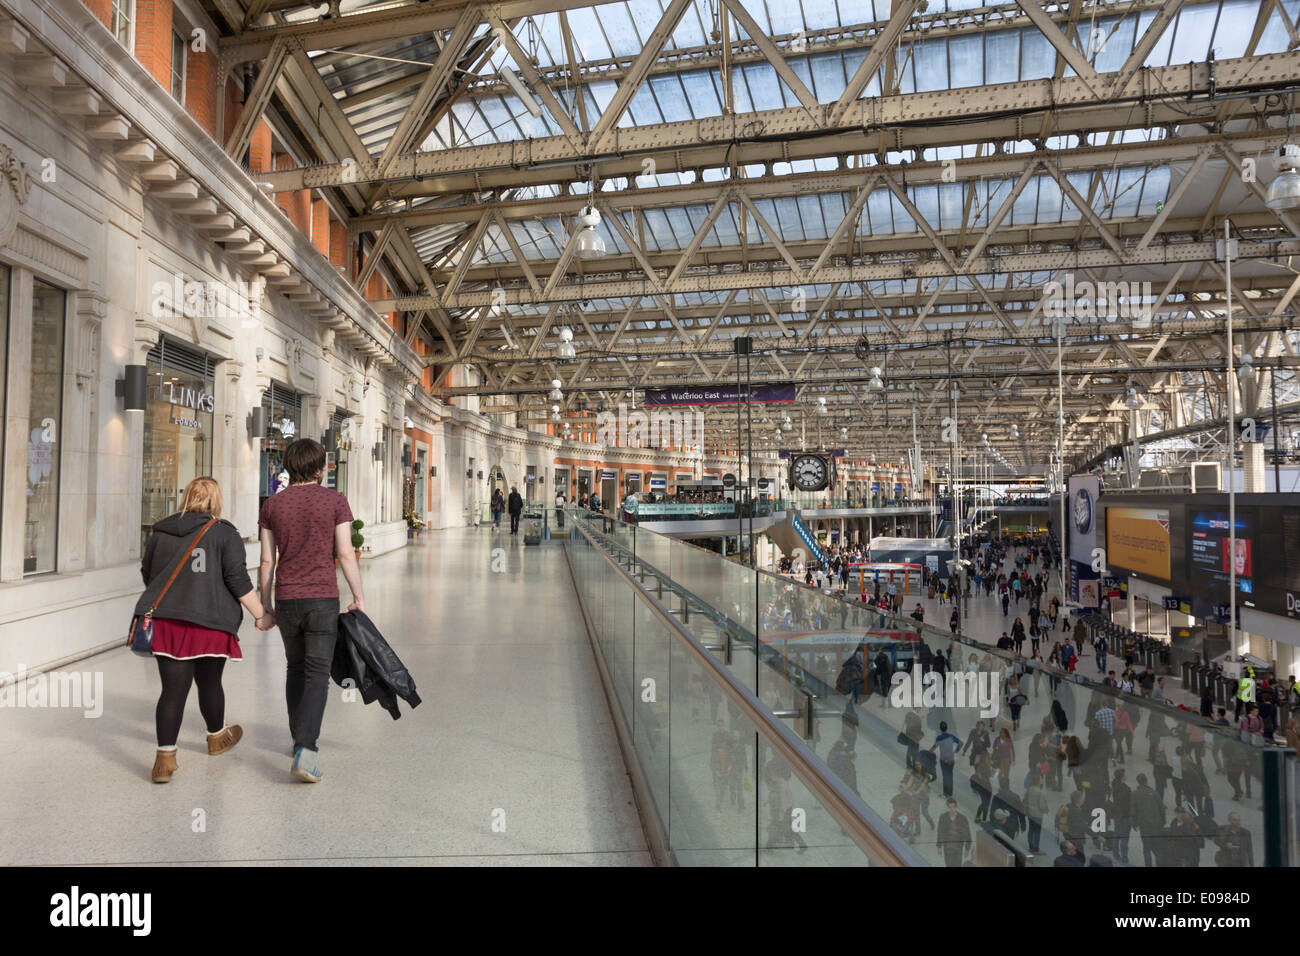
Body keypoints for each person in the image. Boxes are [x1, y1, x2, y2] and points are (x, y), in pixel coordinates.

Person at [138, 477, 273, 784]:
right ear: (216, 501)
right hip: (210, 624)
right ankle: (216, 737)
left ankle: (164, 760)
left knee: (172, 692)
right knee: (210, 682)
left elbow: (149, 575)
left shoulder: (159, 531)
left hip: (168, 623)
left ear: (185, 497)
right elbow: (237, 580)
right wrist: (261, 614)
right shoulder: (223, 532)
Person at [259, 438, 365, 784]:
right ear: (321, 468)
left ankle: (298, 740)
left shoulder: (273, 505)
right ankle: (306, 748)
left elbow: (265, 560)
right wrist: (358, 595)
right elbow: (346, 554)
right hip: (322, 598)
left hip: (288, 599)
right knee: (317, 673)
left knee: (295, 667)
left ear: (289, 467)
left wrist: (265, 605)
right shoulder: (335, 501)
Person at [1131, 772, 1166, 866]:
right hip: (1157, 825)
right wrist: (1163, 821)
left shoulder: (1134, 794)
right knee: (1158, 848)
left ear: (1138, 782)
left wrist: (1134, 824)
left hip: (1144, 826)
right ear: (1146, 780)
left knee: (1146, 849)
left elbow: (1133, 811)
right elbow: (1161, 809)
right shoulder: (1154, 793)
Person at [930, 721, 962, 798]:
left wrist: (929, 752)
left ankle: (945, 794)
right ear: (947, 728)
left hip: (943, 760)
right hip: (951, 760)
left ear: (940, 729)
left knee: (945, 776)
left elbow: (934, 747)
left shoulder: (939, 738)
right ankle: (950, 794)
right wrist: (956, 751)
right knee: (950, 776)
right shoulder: (951, 736)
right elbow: (961, 743)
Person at [937, 798, 972, 867]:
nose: (952, 809)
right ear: (947, 807)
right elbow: (940, 832)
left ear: (956, 807)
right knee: (948, 864)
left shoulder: (963, 818)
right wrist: (939, 847)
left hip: (958, 848)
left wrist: (967, 849)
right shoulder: (943, 817)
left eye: (953, 807)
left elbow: (968, 834)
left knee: (957, 865)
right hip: (947, 848)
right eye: (950, 807)